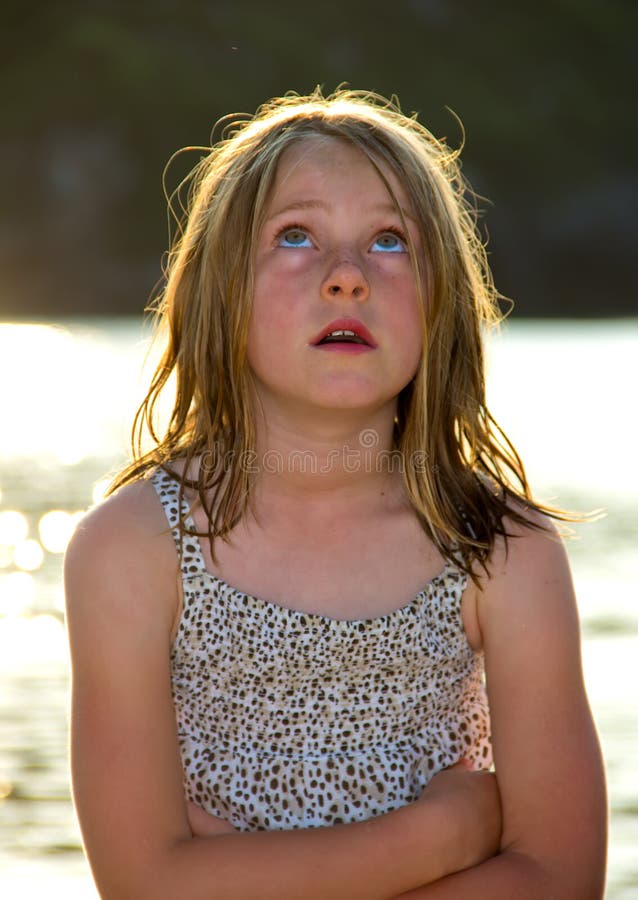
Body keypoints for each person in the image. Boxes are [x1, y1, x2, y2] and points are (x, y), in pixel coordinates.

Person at [64, 88, 607, 899]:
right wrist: (446, 834)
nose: (347, 277)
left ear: (442, 302)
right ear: (223, 290)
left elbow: (560, 881)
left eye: (389, 241)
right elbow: (145, 886)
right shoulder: (134, 551)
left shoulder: (501, 552)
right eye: (295, 236)